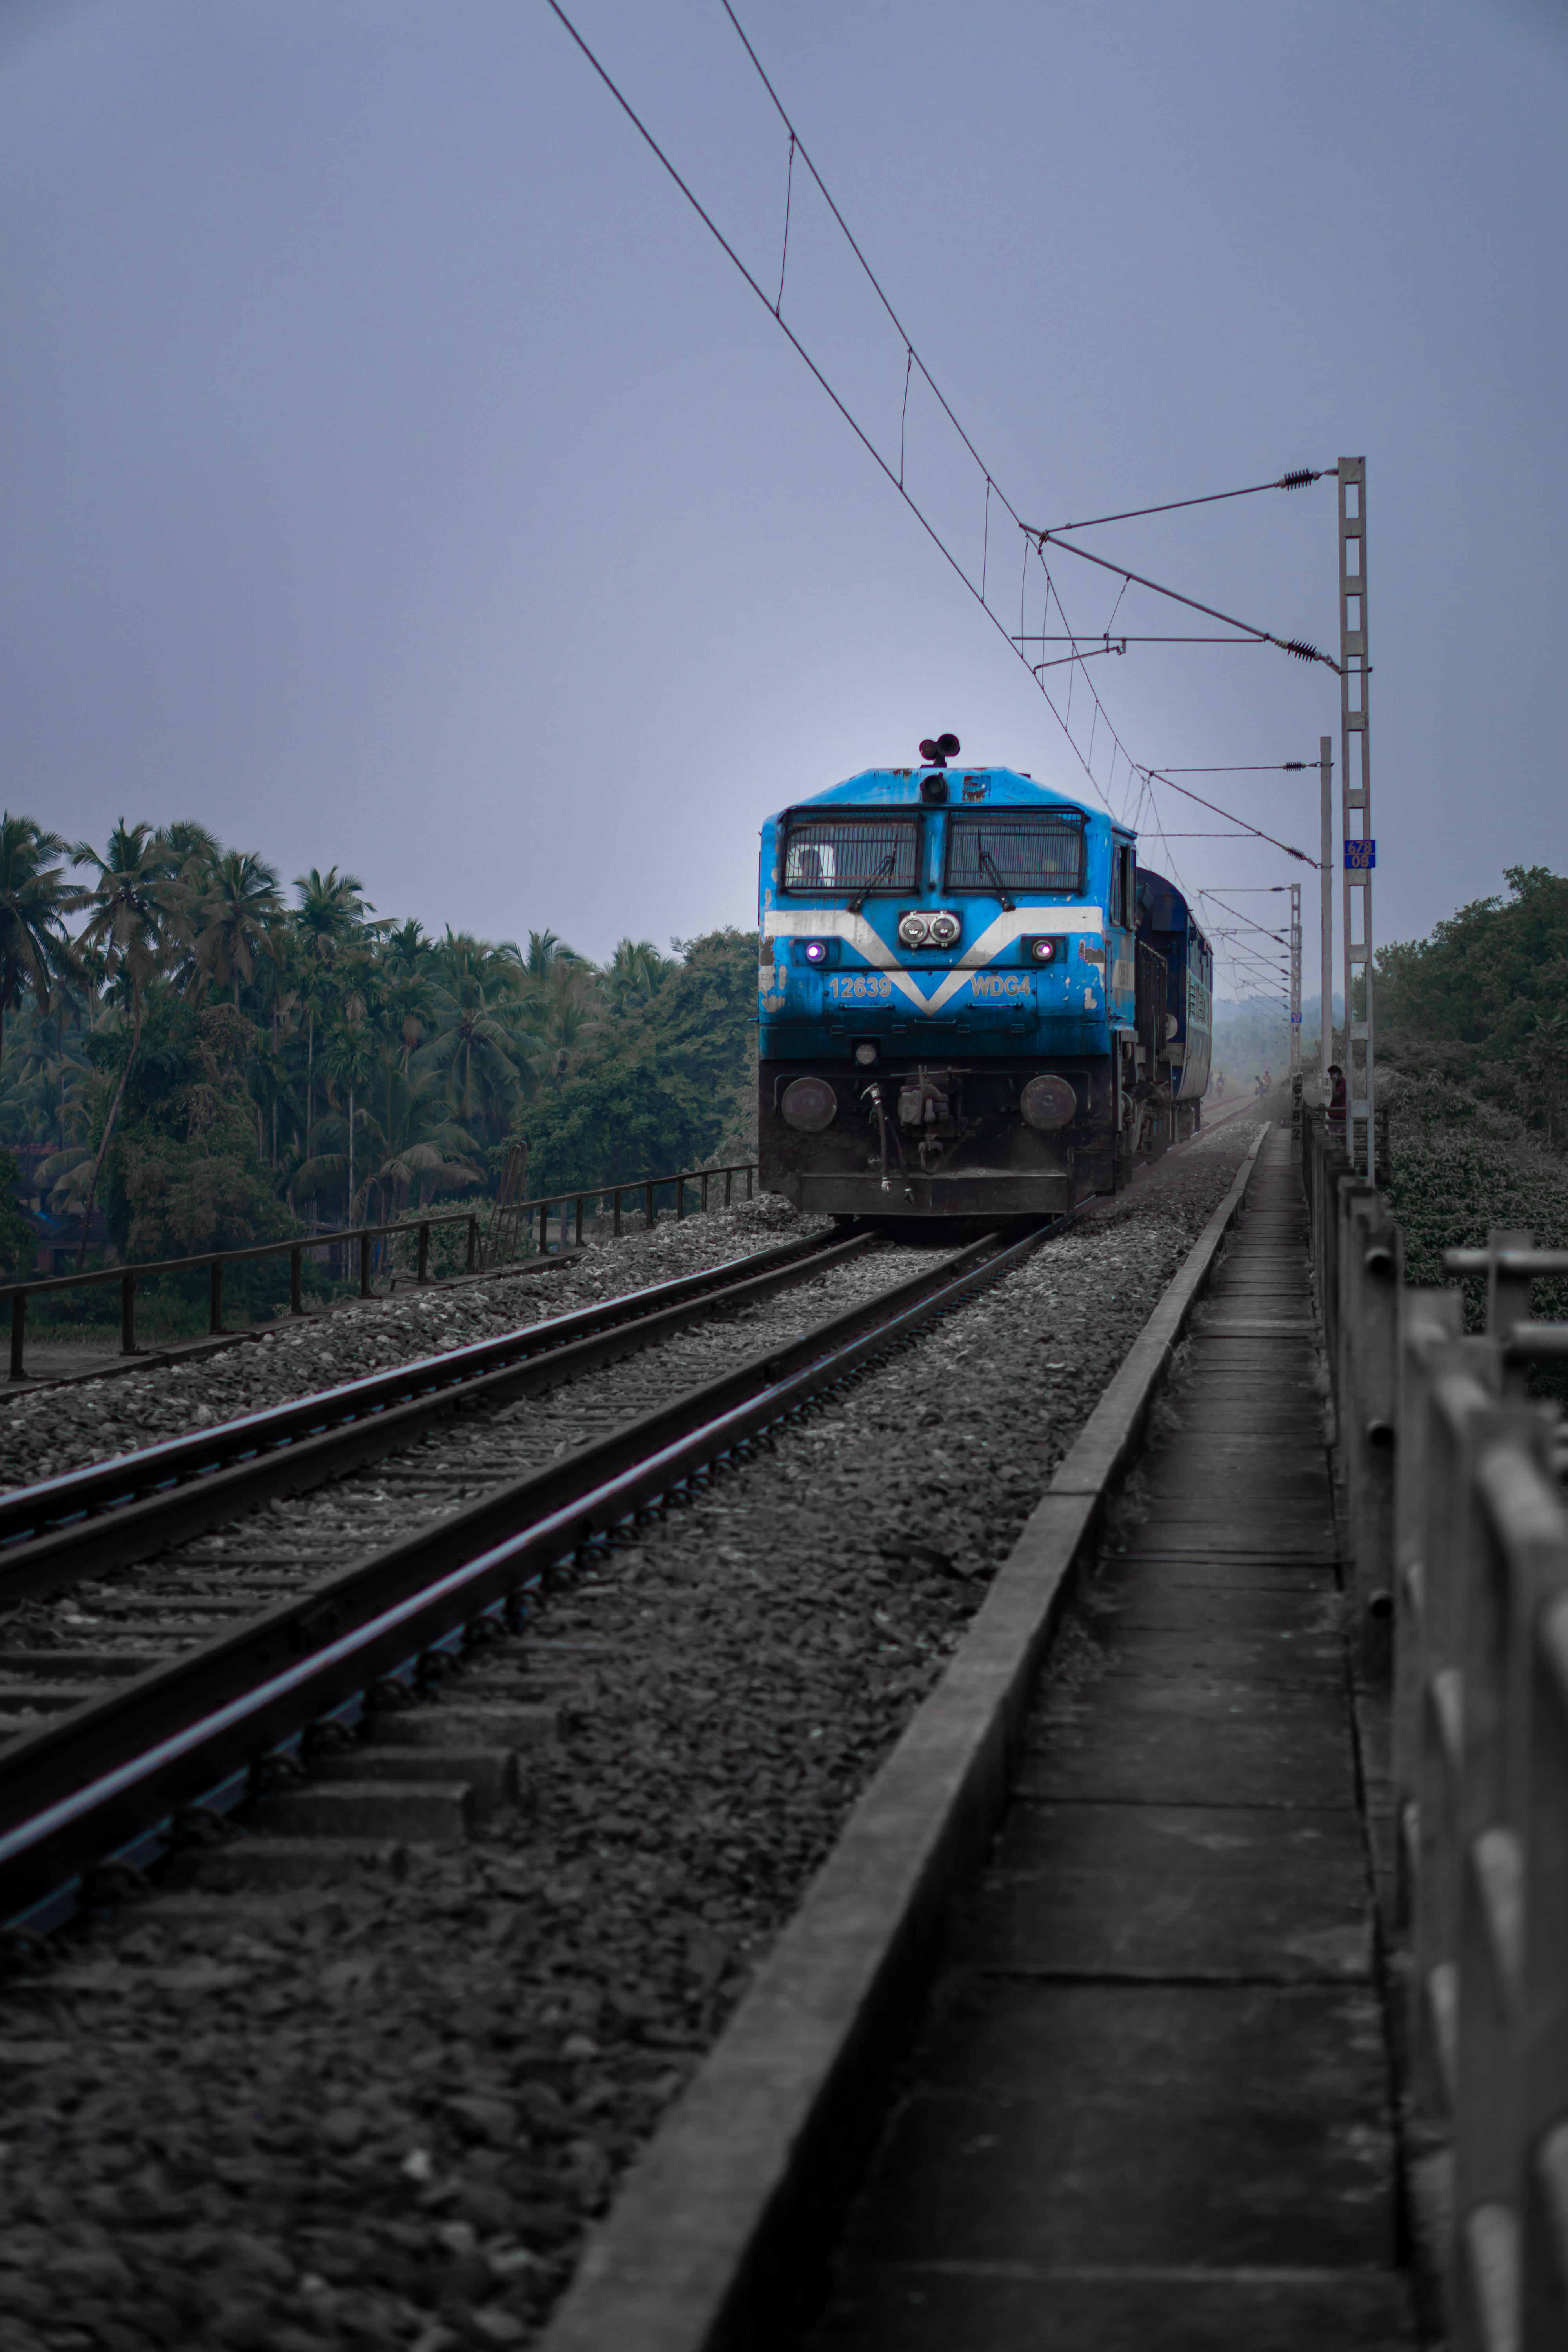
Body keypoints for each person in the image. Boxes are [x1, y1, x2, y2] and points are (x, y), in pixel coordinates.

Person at [1327, 1062, 1347, 1131]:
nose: (1331, 1077)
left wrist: (1334, 1082)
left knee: (1341, 1138)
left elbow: (1336, 1095)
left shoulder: (1343, 1083)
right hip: (1336, 1117)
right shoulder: (1339, 1083)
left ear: (1337, 1074)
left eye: (1332, 1075)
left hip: (1340, 1117)